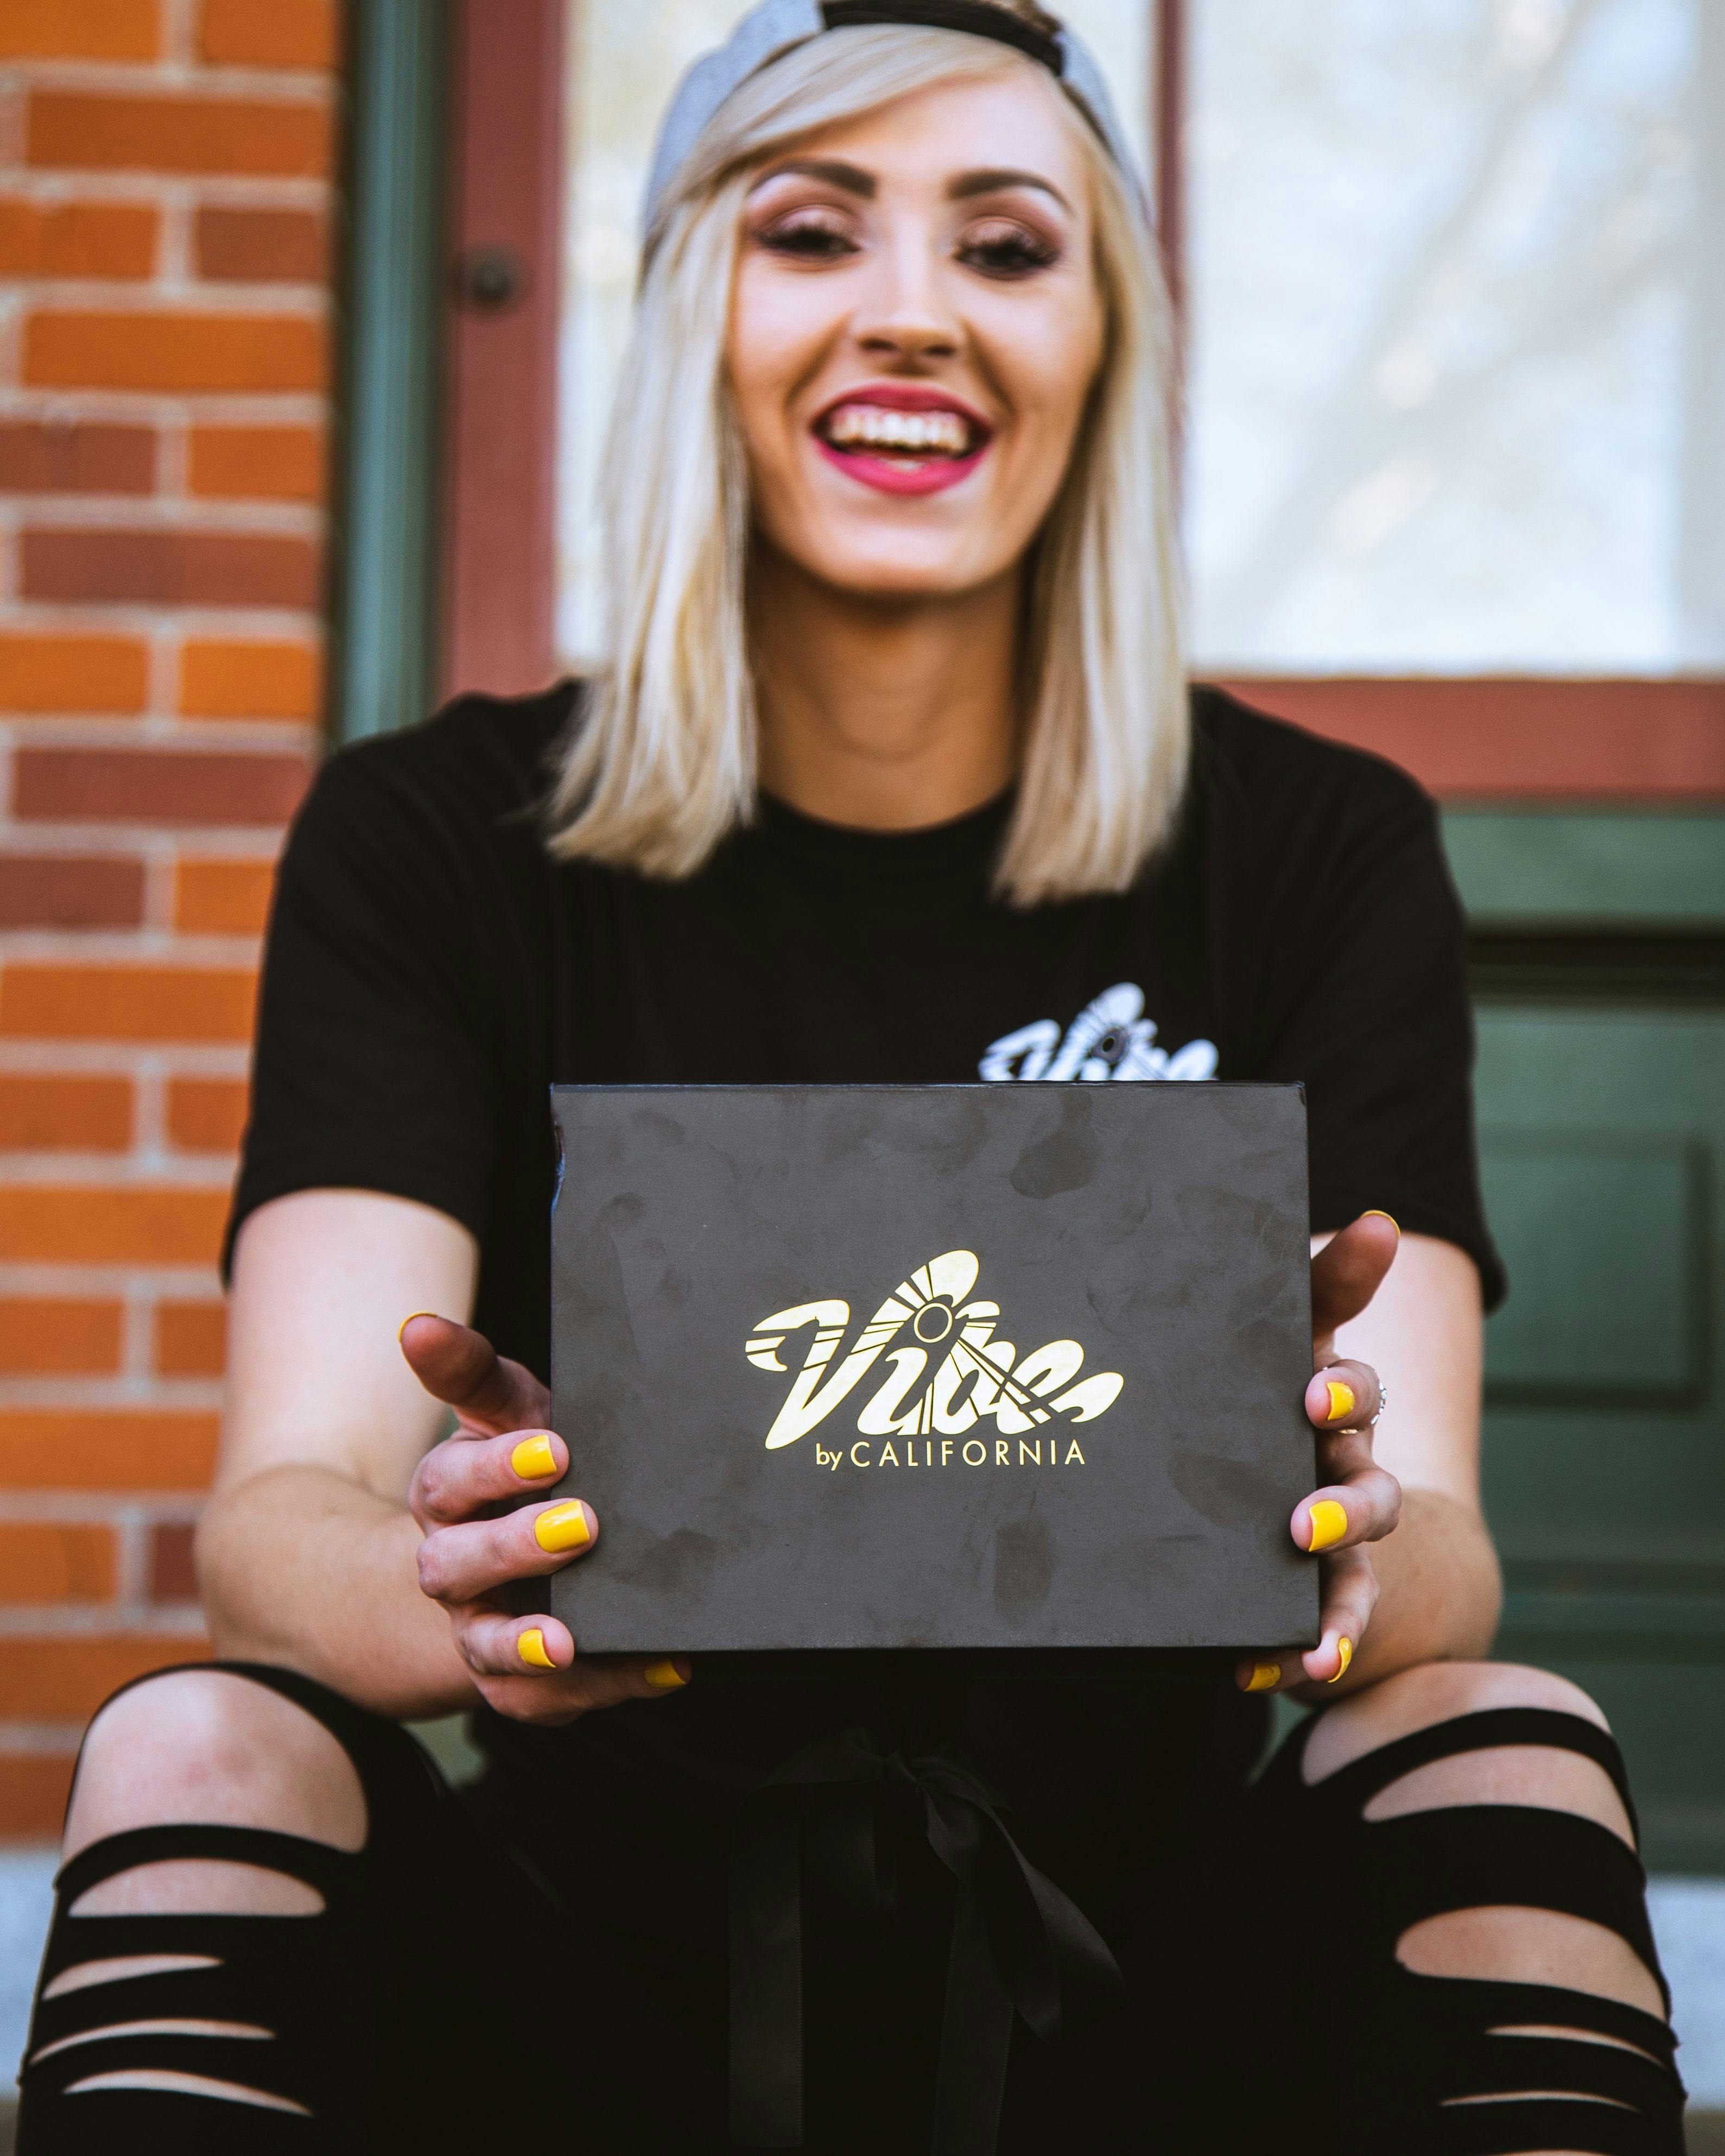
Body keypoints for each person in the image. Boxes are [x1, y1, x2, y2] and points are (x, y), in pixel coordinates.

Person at [17, 4, 1686, 2150]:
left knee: (1506, 1731)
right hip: (579, 1984)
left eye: (1006, 249)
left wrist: (1348, 1540)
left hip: (1151, 1988)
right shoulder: (435, 838)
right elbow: (280, 1518)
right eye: (816, 233)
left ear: (1108, 343)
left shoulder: (1313, 847)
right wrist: (461, 1590)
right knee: (190, 1742)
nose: (913, 316)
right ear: (694, 306)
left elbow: (1442, 1545)